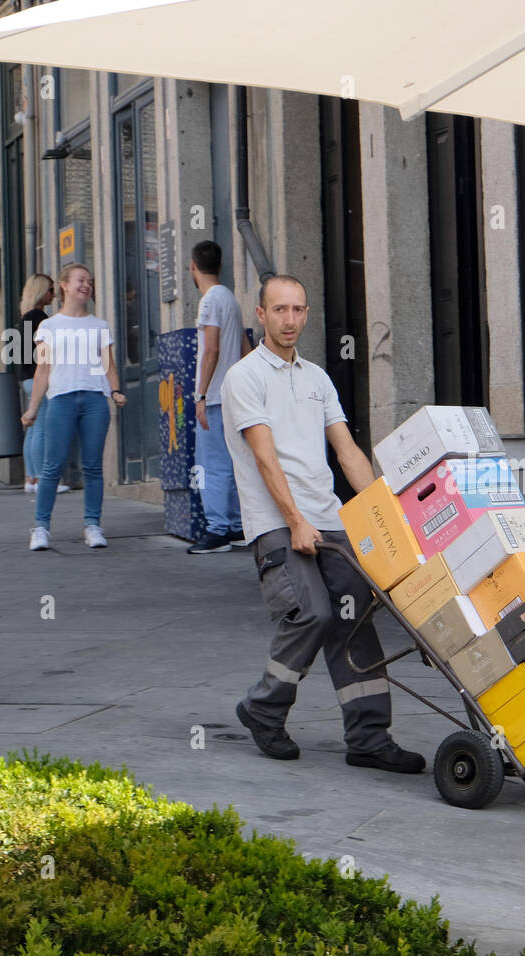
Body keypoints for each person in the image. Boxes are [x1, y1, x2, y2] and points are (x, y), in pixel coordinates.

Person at [220, 274, 424, 774]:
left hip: (329, 518)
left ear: (306, 314)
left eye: (298, 310)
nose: (290, 319)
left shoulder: (317, 378)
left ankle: (370, 738)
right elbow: (266, 458)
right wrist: (294, 522)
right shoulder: (245, 378)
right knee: (311, 613)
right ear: (261, 315)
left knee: (354, 618)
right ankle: (263, 708)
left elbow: (347, 451)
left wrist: (385, 514)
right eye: (280, 310)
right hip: (276, 521)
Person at [20, 264, 126, 551]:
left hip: (95, 400)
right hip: (61, 400)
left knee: (92, 467)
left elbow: (109, 365)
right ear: (64, 285)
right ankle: (40, 527)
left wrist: (115, 390)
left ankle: (93, 525)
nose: (86, 285)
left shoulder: (99, 325)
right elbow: (43, 370)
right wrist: (32, 409)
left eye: (89, 281)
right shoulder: (48, 326)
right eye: (80, 280)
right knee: (52, 467)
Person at [187, 241, 250, 553]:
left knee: (212, 464)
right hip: (235, 395)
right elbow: (244, 349)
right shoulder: (231, 299)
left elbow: (210, 350)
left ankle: (217, 530)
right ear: (220, 266)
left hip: (214, 397)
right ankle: (239, 526)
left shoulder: (210, 301)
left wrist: (200, 394)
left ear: (192, 266)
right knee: (235, 461)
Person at [14, 274, 68, 496]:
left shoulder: (25, 317)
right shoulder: (39, 317)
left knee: (33, 430)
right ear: (41, 292)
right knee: (42, 430)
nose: (53, 295)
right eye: (50, 290)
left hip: (26, 377)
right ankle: (42, 480)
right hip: (38, 377)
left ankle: (30, 478)